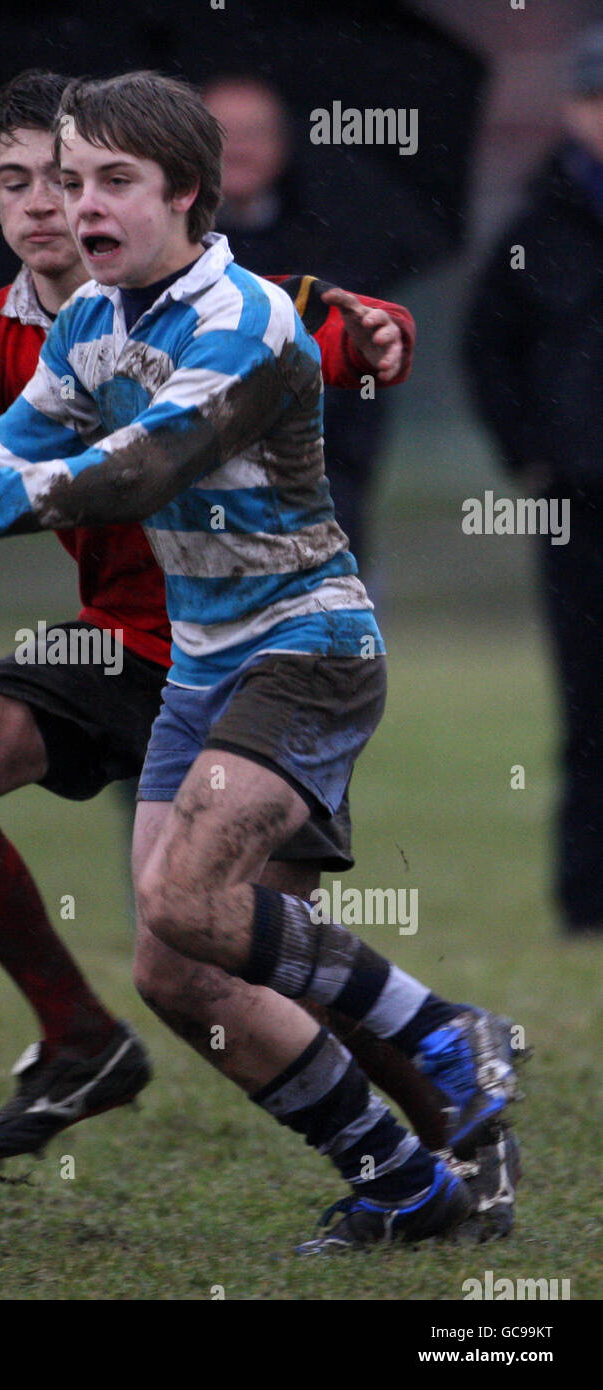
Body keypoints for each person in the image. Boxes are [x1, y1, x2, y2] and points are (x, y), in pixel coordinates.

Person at [0, 72, 522, 1251]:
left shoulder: (244, 319)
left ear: (187, 192)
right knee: (178, 965)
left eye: (108, 183)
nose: (74, 205)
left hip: (305, 646)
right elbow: (0, 442)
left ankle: (450, 1032)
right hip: (198, 661)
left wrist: (370, 330)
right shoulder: (92, 321)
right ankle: (409, 1186)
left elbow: (132, 471)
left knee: (191, 899)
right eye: (58, 180)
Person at [462, 24, 603, 938]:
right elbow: (487, 352)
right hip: (580, 502)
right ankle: (588, 905)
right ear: (571, 110)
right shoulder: (536, 229)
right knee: (591, 708)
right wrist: (533, 455)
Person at [202, 75, 429, 567]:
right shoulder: (149, 261)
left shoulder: (334, 248)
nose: (237, 149)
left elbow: (364, 379)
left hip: (316, 500)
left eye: (254, 133)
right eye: (220, 135)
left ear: (283, 146)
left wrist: (342, 479)